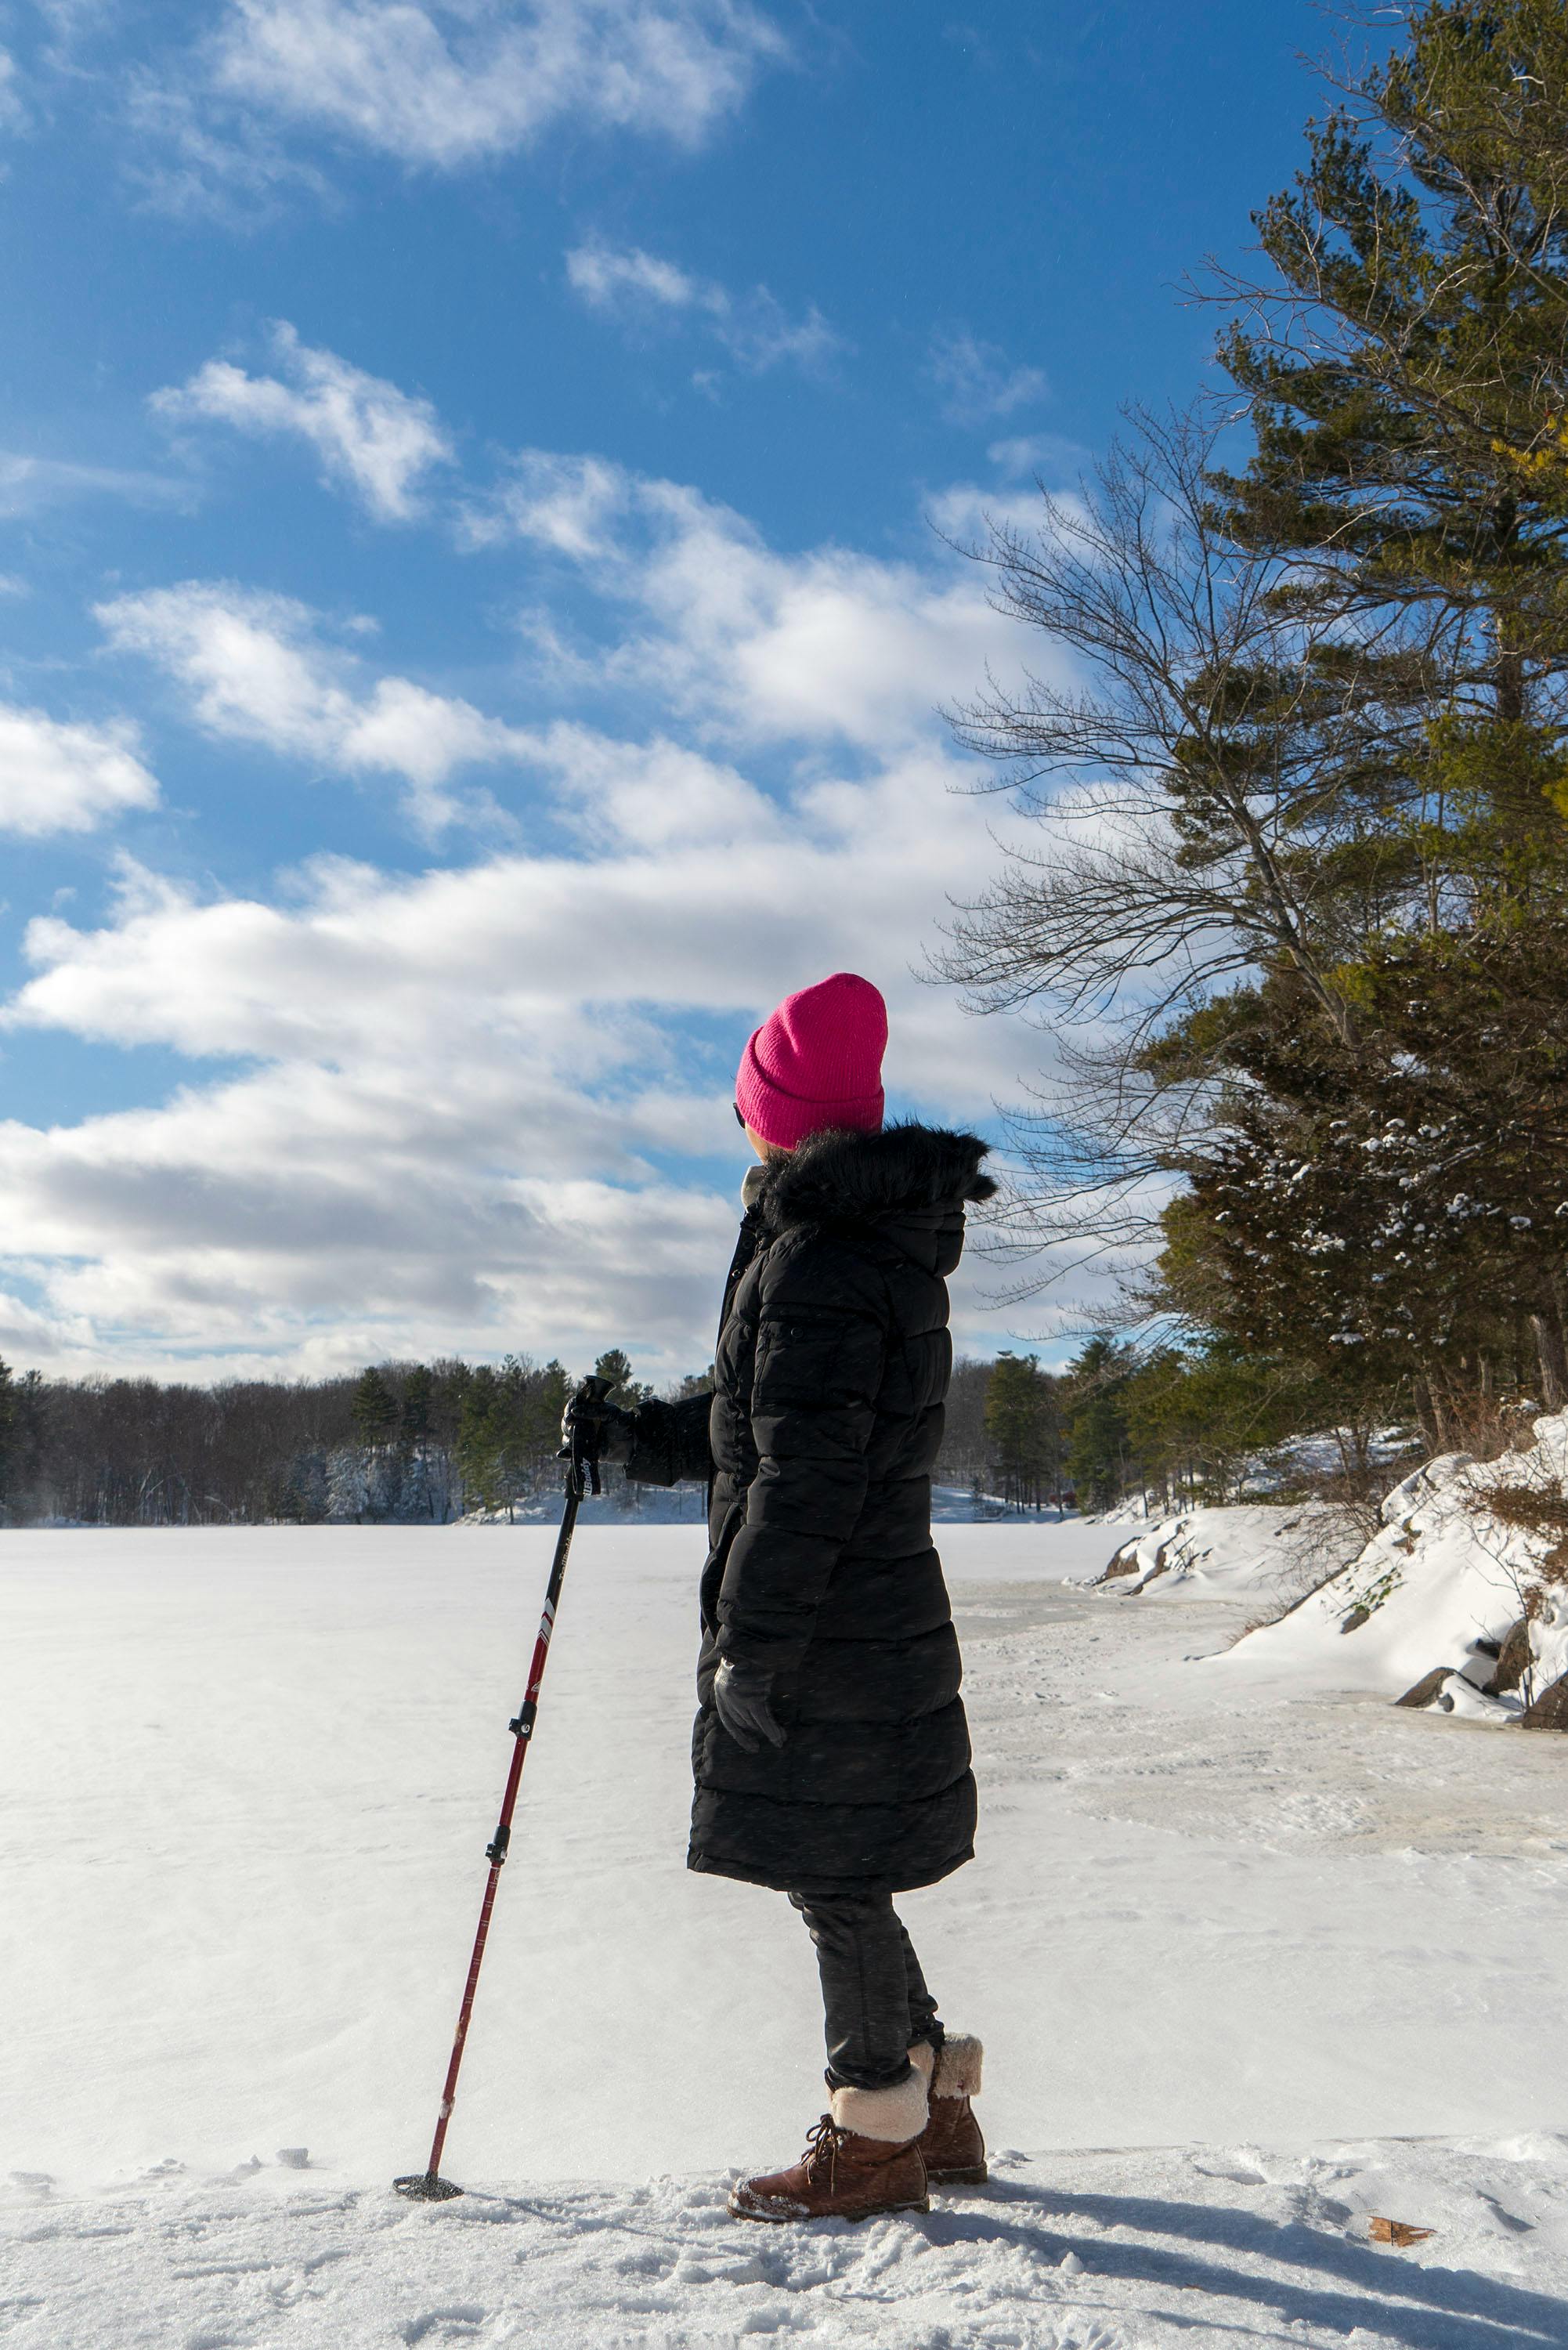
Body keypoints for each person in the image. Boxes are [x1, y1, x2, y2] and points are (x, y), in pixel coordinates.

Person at [563, 971, 993, 2222]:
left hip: (830, 1618)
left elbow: (803, 1478)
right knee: (844, 1864)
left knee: (836, 1873)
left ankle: (875, 2142)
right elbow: (765, 1427)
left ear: (778, 1114)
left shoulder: (821, 1254)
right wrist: (639, 1433)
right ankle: (933, 2105)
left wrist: (751, 1645)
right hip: (860, 1605)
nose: (735, 1115)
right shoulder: (839, 1242)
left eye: (744, 1097)